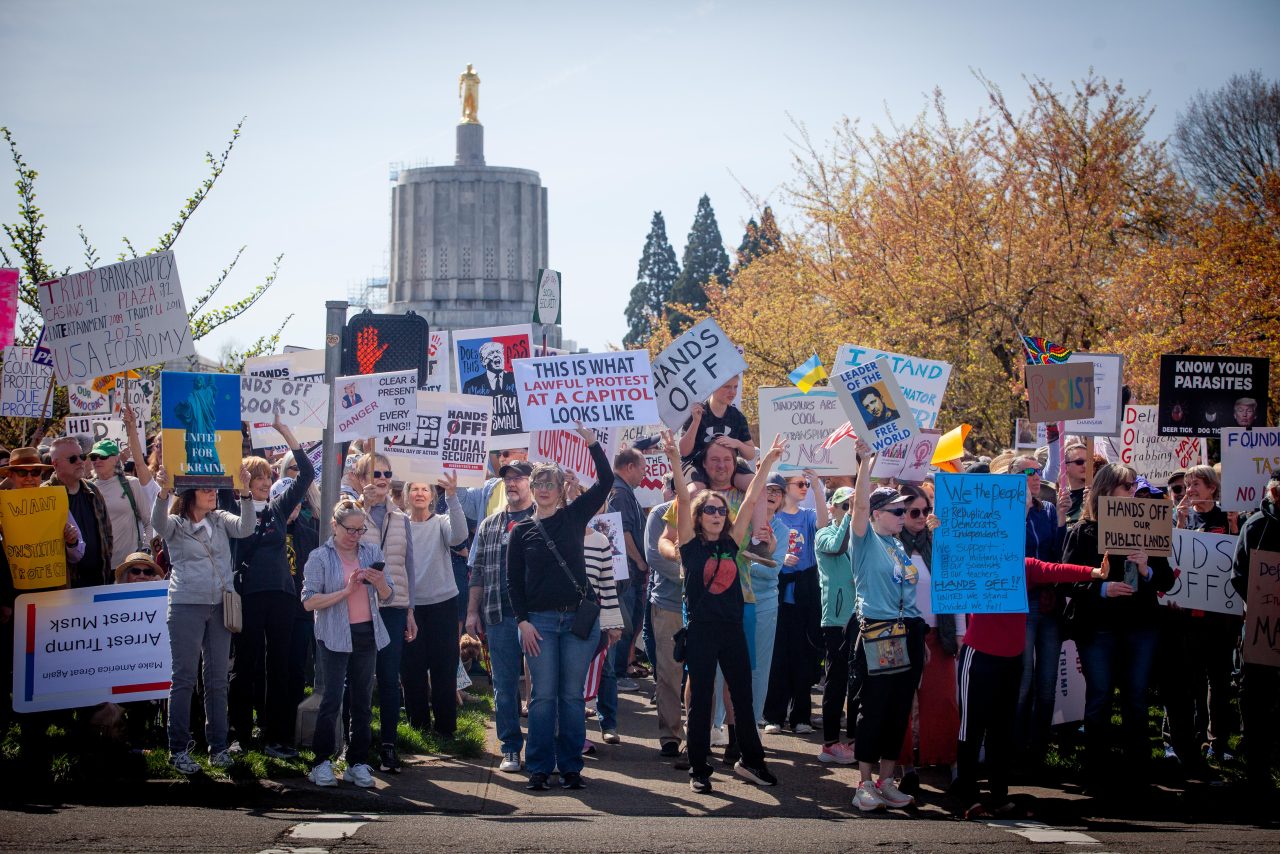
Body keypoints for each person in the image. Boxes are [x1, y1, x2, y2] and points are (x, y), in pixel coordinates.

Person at [665, 430, 782, 793]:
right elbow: (684, 499)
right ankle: (699, 770)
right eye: (710, 510)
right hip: (701, 631)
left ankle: (752, 761)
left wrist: (768, 463)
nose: (717, 514)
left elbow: (748, 501)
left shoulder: (732, 543)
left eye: (720, 510)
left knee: (743, 698)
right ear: (699, 518)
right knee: (701, 700)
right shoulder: (689, 548)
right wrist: (673, 458)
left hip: (732, 629)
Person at [507, 423, 613, 791]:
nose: (544, 490)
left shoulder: (573, 517)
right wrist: (522, 622)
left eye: (550, 484)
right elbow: (513, 583)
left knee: (571, 696)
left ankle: (570, 768)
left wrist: (592, 444)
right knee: (542, 696)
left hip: (577, 624)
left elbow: (606, 481)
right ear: (532, 490)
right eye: (539, 485)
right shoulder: (521, 531)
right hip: (539, 624)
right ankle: (538, 767)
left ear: (560, 490)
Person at [1061, 463, 1174, 786]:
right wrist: (1101, 588)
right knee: (1099, 697)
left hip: (1141, 626)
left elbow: (1167, 579)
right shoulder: (1082, 532)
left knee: (1136, 698)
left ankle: (1138, 773)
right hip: (1098, 628)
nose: (1132, 492)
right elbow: (1067, 580)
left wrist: (1146, 571)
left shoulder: (1145, 527)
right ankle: (1097, 771)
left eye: (1134, 486)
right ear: (1107, 490)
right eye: (1126, 486)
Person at [151, 463, 256, 774]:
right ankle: (178, 750)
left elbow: (247, 528)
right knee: (183, 678)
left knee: (217, 680)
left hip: (220, 606)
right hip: (186, 604)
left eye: (214, 487)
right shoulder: (175, 524)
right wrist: (162, 490)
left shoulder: (221, 519)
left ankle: (218, 748)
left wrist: (246, 493)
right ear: (189, 494)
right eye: (205, 488)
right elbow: (157, 522)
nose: (213, 492)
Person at [229, 419, 314, 760]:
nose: (264, 482)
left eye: (267, 476)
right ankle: (238, 734)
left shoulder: (279, 510)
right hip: (248, 595)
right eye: (255, 476)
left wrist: (286, 432)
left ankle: (276, 736)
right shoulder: (232, 510)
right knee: (245, 666)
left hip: (282, 597)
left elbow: (306, 474)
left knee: (279, 667)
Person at [847, 442, 924, 812]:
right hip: (877, 632)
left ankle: (887, 780)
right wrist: (865, 464)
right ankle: (863, 782)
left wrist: (918, 636)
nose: (903, 515)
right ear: (877, 514)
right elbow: (859, 505)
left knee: (898, 710)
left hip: (906, 632)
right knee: (874, 708)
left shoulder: (897, 545)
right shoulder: (864, 539)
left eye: (904, 510)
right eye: (896, 510)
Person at [301, 499, 393, 788]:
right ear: (334, 526)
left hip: (367, 632)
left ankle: (357, 761)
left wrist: (379, 583)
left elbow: (388, 595)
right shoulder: (319, 557)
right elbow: (308, 601)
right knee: (331, 699)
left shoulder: (372, 551)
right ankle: (321, 761)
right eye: (350, 530)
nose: (355, 536)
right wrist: (346, 590)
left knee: (363, 701)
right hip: (333, 634)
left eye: (360, 530)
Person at [1163, 464, 1240, 770]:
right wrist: (1179, 523)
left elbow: (1236, 559)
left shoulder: (1228, 517)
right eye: (1187, 484)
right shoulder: (1179, 518)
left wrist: (1235, 527)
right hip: (1186, 619)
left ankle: (1217, 743)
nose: (1190, 489)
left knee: (1219, 682)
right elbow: (1171, 557)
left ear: (1212, 488)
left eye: (1197, 484)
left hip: (1219, 619)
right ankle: (1179, 740)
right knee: (1186, 681)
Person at [465, 457, 536, 774]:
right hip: (498, 615)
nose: (512, 483)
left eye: (519, 478)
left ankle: (540, 748)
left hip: (538, 617)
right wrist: (471, 613)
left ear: (532, 483)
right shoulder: (489, 525)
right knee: (505, 687)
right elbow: (477, 572)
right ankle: (511, 749)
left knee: (544, 687)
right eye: (508, 478)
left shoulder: (544, 520)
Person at [895, 483, 960, 794]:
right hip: (904, 634)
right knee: (903, 703)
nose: (922, 517)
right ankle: (906, 764)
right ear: (901, 514)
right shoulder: (891, 545)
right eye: (914, 512)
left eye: (925, 510)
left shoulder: (939, 544)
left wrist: (959, 632)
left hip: (940, 634)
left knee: (944, 701)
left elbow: (952, 589)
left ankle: (948, 759)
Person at [354, 451, 416, 773]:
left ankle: (389, 745)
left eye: (387, 473)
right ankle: (357, 747)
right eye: (375, 473)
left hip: (393, 606)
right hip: (360, 606)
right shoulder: (350, 511)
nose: (382, 479)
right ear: (363, 478)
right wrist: (361, 509)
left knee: (390, 678)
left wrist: (410, 610)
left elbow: (409, 566)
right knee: (361, 679)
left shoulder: (401, 518)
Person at [1011, 454, 1069, 770]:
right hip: (1021, 603)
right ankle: (1015, 749)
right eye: (1027, 471)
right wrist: (1018, 515)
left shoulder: (1047, 511)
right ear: (1013, 477)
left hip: (1047, 603)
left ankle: (1038, 752)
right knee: (1023, 682)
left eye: (1037, 471)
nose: (1035, 476)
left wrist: (1061, 520)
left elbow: (1059, 555)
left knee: (1046, 684)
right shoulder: (1004, 511)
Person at [401, 473, 468, 738]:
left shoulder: (440, 522)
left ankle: (445, 728)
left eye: (425, 489)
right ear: (407, 494)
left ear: (432, 495)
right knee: (412, 667)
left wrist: (452, 497)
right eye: (414, 488)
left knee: (443, 666)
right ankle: (417, 725)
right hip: (410, 607)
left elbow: (459, 536)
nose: (419, 493)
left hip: (443, 603)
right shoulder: (399, 524)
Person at [764, 470, 828, 734]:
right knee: (778, 656)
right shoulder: (774, 518)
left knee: (804, 655)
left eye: (806, 485)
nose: (804, 488)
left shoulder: (808, 516)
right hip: (779, 593)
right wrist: (780, 561)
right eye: (800, 484)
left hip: (805, 592)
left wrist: (818, 488)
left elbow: (824, 524)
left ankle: (801, 715)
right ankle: (774, 716)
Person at [1232, 470, 1280, 796]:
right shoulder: (1256, 527)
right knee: (1257, 699)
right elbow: (1239, 575)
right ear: (1275, 494)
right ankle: (1258, 774)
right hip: (1263, 629)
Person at [597, 447, 649, 743]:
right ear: (628, 466)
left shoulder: (621, 491)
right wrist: (639, 561)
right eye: (641, 468)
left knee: (625, 625)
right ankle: (616, 676)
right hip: (623, 573)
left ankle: (616, 675)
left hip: (625, 573)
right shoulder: (619, 492)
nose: (644, 474)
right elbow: (622, 531)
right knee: (620, 626)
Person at [816, 485, 857, 764]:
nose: (847, 511)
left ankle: (855, 739)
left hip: (862, 615)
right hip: (836, 619)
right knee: (837, 681)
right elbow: (836, 547)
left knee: (858, 683)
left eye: (850, 506)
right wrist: (853, 515)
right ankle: (830, 743)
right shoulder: (824, 533)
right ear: (832, 507)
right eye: (844, 506)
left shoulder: (862, 534)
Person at [644, 474, 685, 759]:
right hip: (669, 604)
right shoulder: (661, 513)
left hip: (704, 607)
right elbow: (654, 556)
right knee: (669, 672)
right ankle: (670, 734)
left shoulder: (713, 508)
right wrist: (691, 579)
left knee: (702, 675)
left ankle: (701, 734)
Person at [86, 408, 153, 568]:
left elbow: (148, 521)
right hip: (100, 567)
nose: (97, 460)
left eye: (103, 456)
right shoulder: (88, 488)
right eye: (94, 457)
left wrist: (146, 549)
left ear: (116, 458)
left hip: (129, 565)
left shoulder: (131, 484)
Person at [47, 436, 113, 587]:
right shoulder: (46, 496)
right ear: (55, 464)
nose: (80, 462)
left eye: (82, 456)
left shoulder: (93, 490)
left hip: (98, 582)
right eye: (72, 459)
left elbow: (107, 533)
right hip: (65, 588)